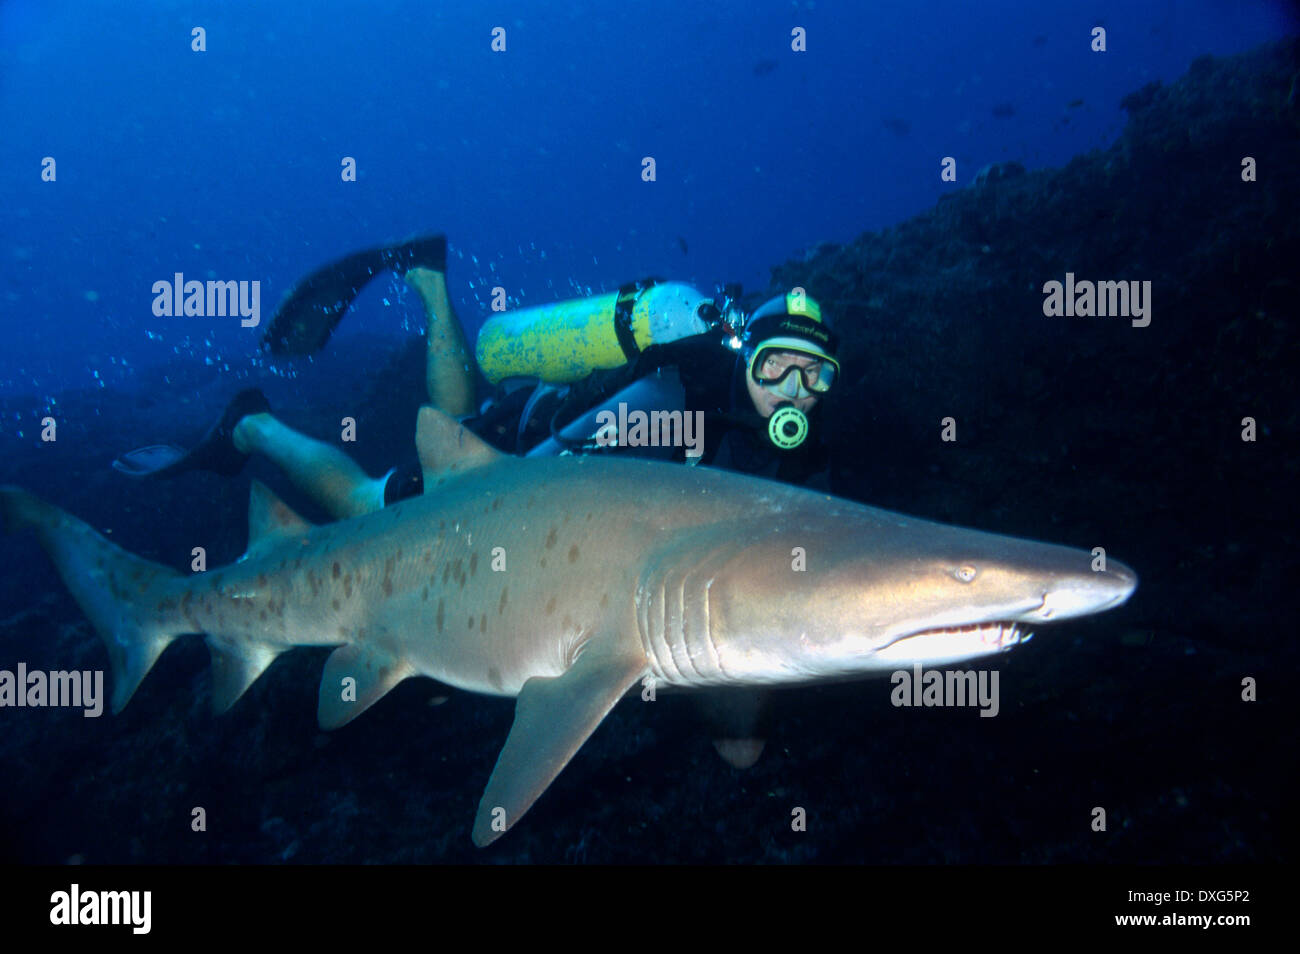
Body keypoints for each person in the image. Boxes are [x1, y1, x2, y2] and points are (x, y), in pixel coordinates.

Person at [113, 235, 843, 518]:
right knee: (371, 506)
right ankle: (251, 422)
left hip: (540, 407)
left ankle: (430, 282)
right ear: (746, 350)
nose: (794, 394)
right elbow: (536, 478)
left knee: (457, 408)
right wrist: (468, 505)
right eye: (779, 366)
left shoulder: (761, 425)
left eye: (816, 380)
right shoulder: (671, 399)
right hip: (525, 444)